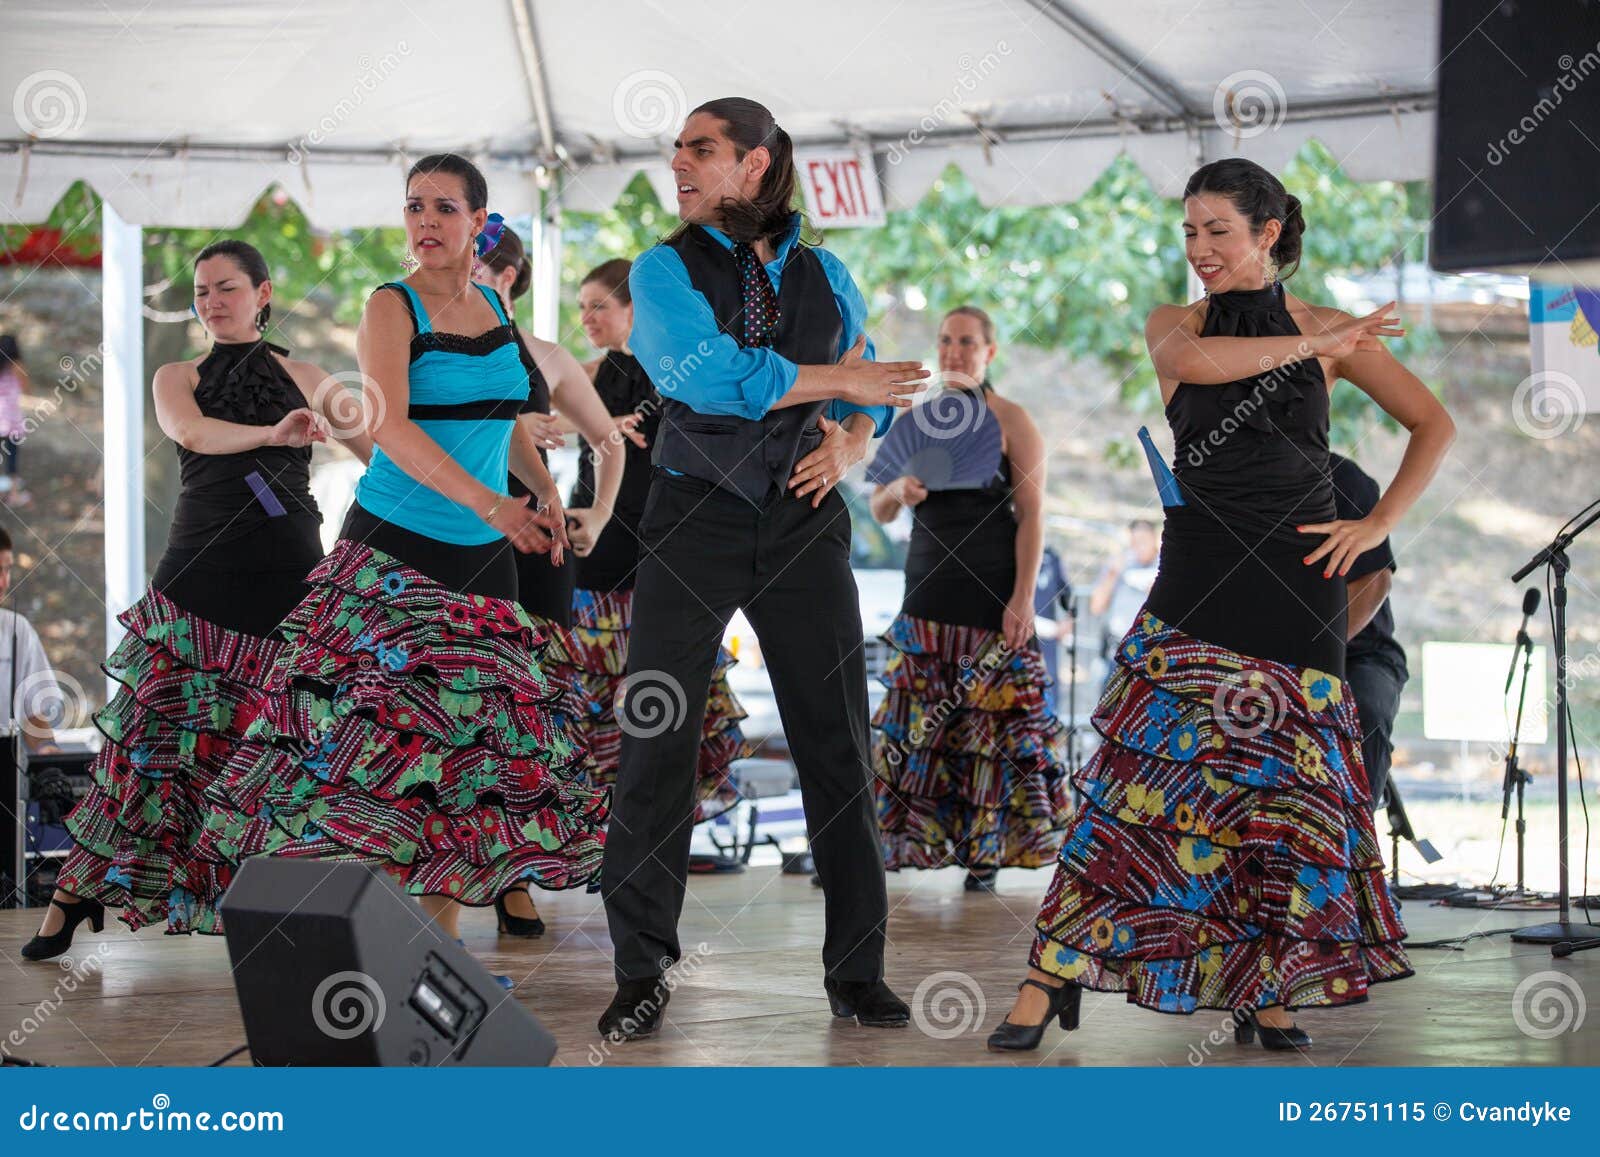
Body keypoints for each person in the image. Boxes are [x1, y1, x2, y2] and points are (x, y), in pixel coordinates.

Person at [988, 158, 1453, 1052]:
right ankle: (1050, 974)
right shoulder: (1180, 324)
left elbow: (1435, 425)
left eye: (1219, 232)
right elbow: (1198, 364)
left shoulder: (1331, 332)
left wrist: (1378, 520)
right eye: (1190, 231)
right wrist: (1319, 345)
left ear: (1268, 233)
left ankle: (1263, 985)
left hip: (1299, 586)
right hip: (1200, 578)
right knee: (1140, 787)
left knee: (1276, 797)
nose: (1199, 248)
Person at [199, 155, 607, 987]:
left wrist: (538, 497)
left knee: (462, 761)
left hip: (486, 559)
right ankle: (357, 953)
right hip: (395, 550)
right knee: (373, 757)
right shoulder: (391, 304)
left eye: (445, 207)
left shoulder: (493, 302)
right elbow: (391, 430)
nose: (426, 220)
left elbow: (504, 420)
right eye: (414, 206)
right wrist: (494, 506)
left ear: (479, 221)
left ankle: (438, 958)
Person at [597, 97, 928, 1039]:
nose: (680, 166)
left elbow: (875, 381)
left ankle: (857, 972)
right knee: (655, 739)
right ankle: (640, 973)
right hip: (691, 516)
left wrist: (857, 440)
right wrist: (841, 388)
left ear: (758, 162)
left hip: (805, 519)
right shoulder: (662, 268)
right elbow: (703, 374)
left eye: (701, 150)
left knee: (840, 744)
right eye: (675, 153)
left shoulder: (828, 270)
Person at [22, 239, 368, 960]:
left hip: (288, 579)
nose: (211, 301)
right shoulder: (175, 373)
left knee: (279, 755)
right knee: (145, 744)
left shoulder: (308, 374)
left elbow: (386, 452)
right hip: (198, 575)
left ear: (263, 294)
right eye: (202, 290)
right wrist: (273, 433)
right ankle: (74, 893)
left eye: (227, 287)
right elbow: (190, 431)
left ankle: (282, 912)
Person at [869, 305, 1069, 892]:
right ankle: (913, 845)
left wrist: (1024, 599)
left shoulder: (1011, 418)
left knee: (989, 733)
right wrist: (899, 490)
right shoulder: (917, 419)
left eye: (966, 342)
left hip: (991, 594)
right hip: (927, 591)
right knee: (920, 732)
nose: (953, 352)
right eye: (945, 341)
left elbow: (1033, 517)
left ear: (989, 352)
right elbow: (879, 507)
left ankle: (984, 855)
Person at [473, 223, 625, 936]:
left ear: (508, 277)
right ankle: (436, 864)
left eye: (485, 268)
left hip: (533, 532)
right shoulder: (421, 335)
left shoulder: (544, 355)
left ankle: (514, 875)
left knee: (524, 710)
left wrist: (599, 509)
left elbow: (609, 439)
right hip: (454, 523)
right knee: (453, 703)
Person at [562, 259, 749, 831]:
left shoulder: (677, 373)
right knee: (592, 689)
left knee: (660, 690)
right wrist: (592, 427)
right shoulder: (587, 375)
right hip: (599, 542)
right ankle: (598, 825)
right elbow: (540, 421)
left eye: (600, 305)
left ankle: (661, 820)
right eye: (583, 306)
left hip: (664, 537)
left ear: (633, 310)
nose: (588, 317)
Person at [1328, 452, 1409, 811]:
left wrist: (1315, 653)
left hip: (1360, 653)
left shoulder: (1344, 480)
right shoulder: (1238, 480)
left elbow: (1374, 583)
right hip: (1280, 654)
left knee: (1366, 710)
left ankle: (1353, 850)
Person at [0, 527, 62, 756]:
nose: (4, 583)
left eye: (7, 571)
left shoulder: (17, 630)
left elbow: (33, 715)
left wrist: (48, 750)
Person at [1089, 519, 1160, 663]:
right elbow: (1096, 607)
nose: (1140, 547)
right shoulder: (1119, 564)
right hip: (1118, 645)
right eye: (1135, 542)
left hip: (1153, 647)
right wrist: (1113, 574)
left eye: (1144, 541)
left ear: (1155, 539)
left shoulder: (1164, 567)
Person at [0, 335, 33, 505]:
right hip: (10, 418)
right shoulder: (17, 366)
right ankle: (13, 494)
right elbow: (26, 388)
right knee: (11, 455)